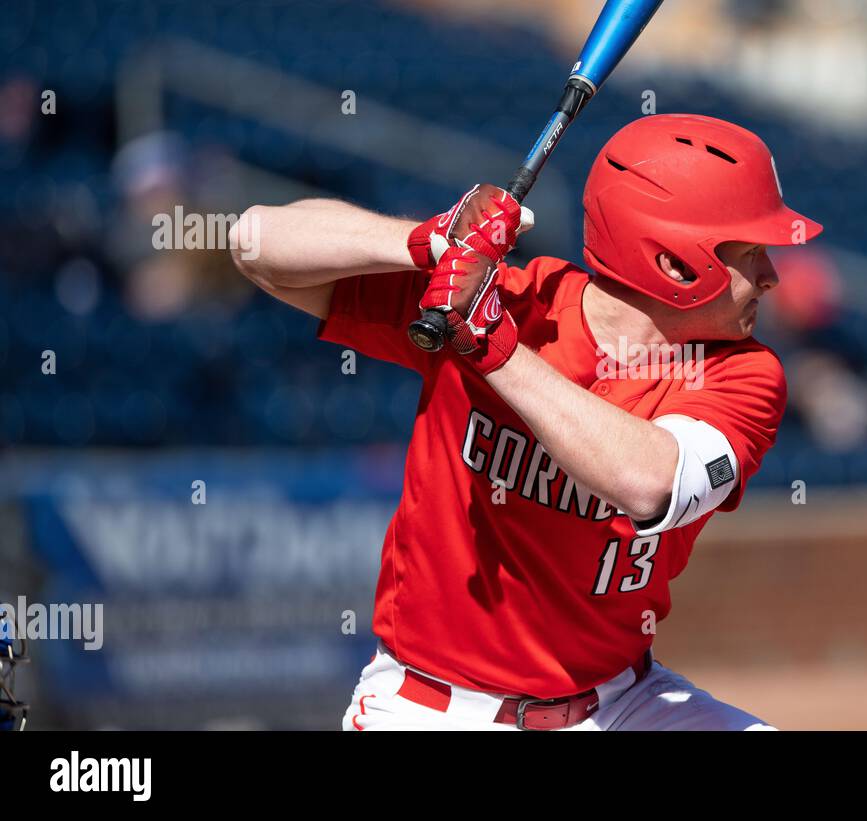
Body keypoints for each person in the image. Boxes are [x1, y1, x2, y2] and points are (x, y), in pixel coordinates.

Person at [230, 114, 821, 730]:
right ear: (677, 264)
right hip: (429, 708)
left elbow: (649, 482)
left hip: (621, 705)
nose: (770, 276)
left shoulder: (745, 374)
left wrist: (493, 350)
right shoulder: (512, 299)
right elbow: (254, 243)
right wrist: (428, 242)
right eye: (751, 252)